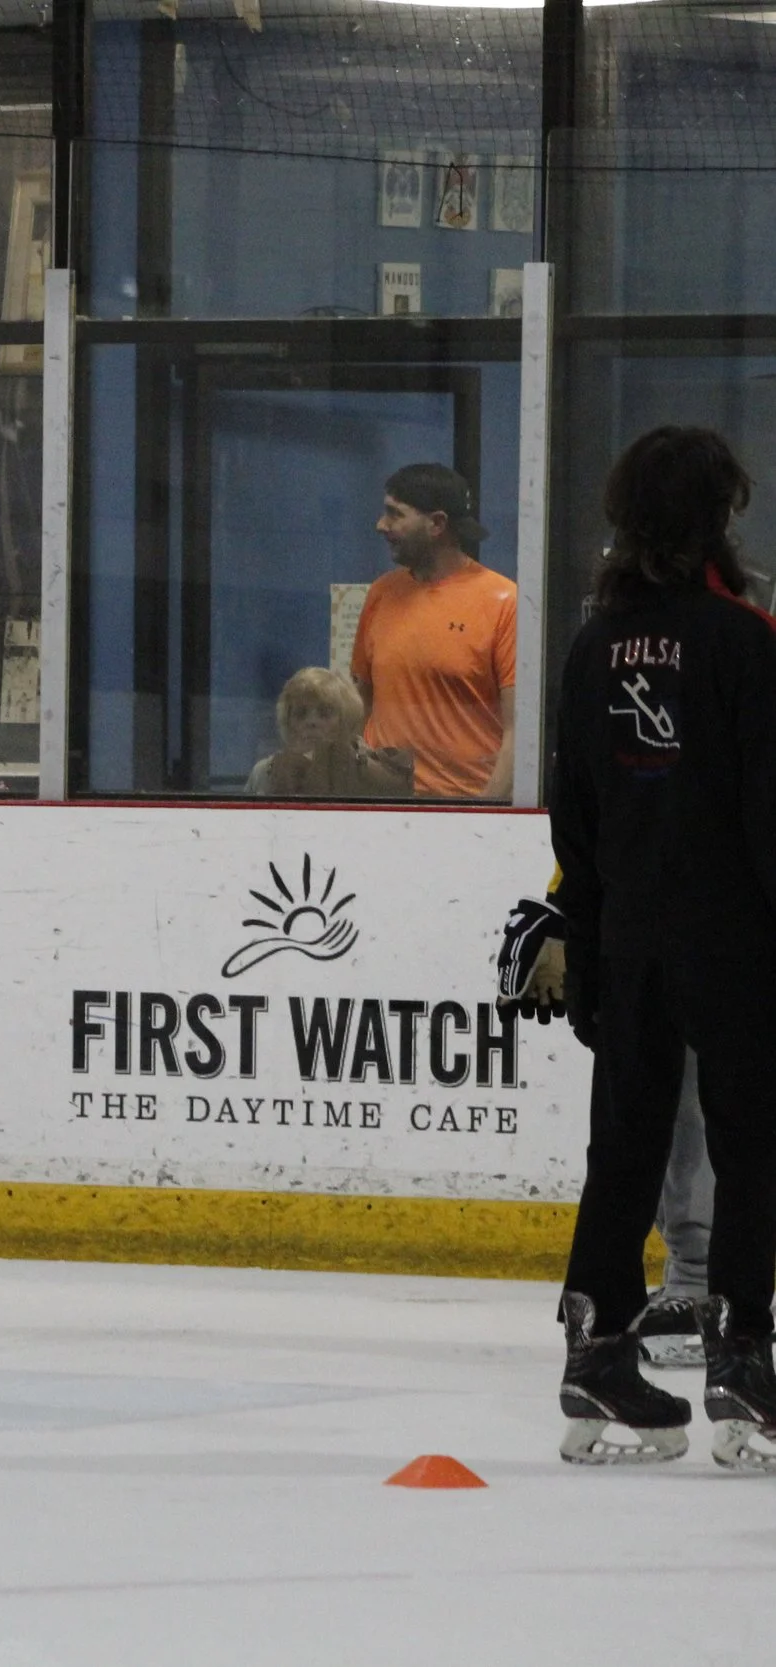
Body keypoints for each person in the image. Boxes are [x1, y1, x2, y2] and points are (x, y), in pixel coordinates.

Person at [551, 424, 776, 1470]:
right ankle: (741, 1362)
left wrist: (586, 935)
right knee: (749, 1148)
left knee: (624, 1146)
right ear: (716, 515)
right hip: (731, 937)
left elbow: (577, 811)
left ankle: (594, 1352)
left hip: (628, 932)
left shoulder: (594, 641)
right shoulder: (743, 640)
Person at [501, 881, 712, 1368]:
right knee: (660, 1095)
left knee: (699, 1083)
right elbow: (598, 817)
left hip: (711, 905)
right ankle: (697, 1277)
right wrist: (567, 903)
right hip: (648, 914)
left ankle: (707, 1283)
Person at [351, 463, 519, 800]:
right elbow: (360, 706)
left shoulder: (504, 601)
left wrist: (485, 819)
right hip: (380, 809)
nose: (381, 525)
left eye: (395, 514)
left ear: (437, 524)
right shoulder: (381, 594)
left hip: (463, 810)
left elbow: (520, 732)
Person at [246, 667, 412, 798]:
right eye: (301, 713)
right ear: (288, 723)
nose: (311, 722)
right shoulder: (263, 773)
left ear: (345, 719)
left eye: (325, 713)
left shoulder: (372, 771)